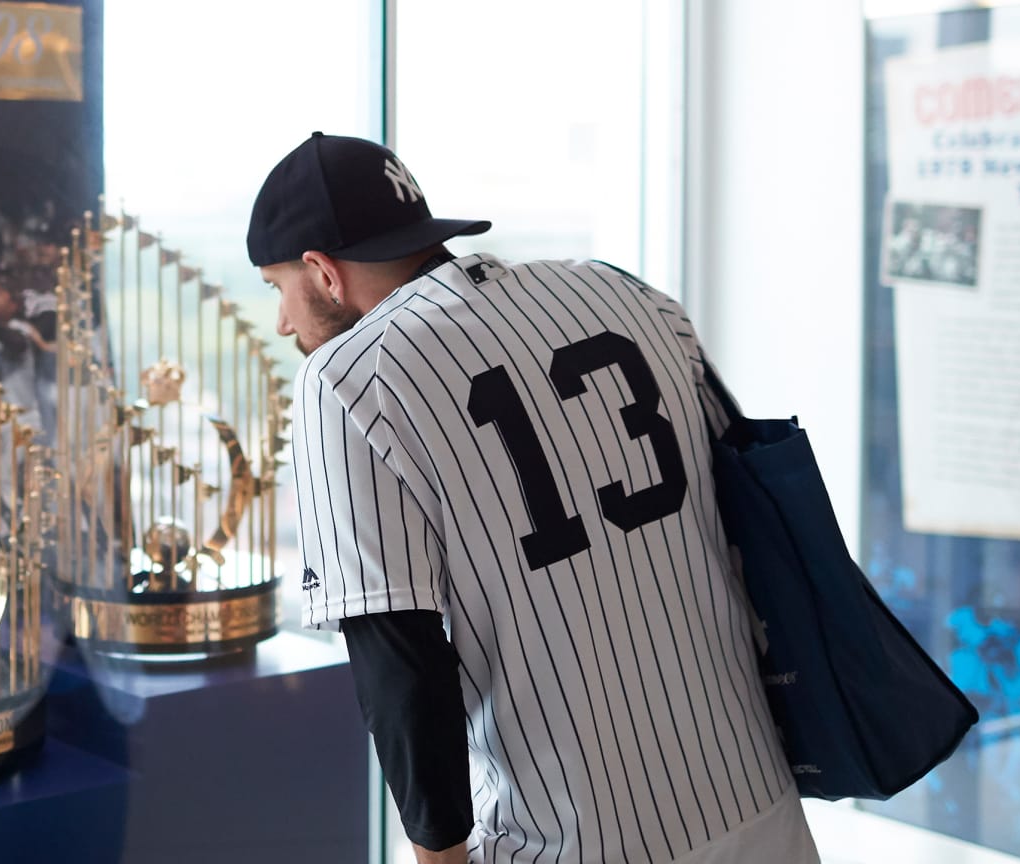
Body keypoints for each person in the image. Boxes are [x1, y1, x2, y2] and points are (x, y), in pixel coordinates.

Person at [247, 133, 819, 864]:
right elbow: (752, 525)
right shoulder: (625, 292)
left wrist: (438, 856)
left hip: (570, 837)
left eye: (278, 290)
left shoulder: (348, 378)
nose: (284, 324)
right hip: (757, 802)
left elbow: (401, 662)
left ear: (323, 273)